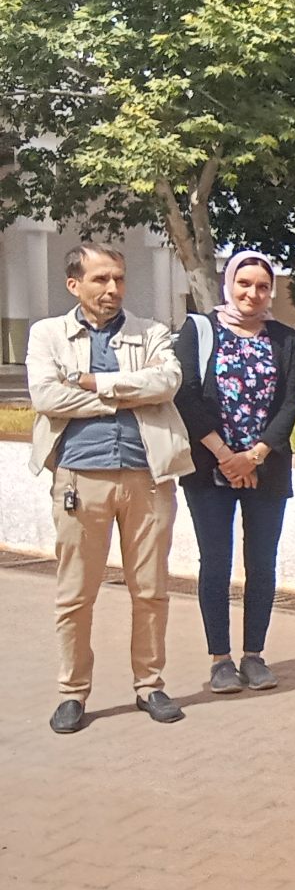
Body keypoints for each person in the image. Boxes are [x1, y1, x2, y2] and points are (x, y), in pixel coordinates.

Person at [27, 243, 193, 733]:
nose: (112, 289)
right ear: (74, 284)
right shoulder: (48, 334)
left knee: (151, 590)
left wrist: (90, 382)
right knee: (76, 594)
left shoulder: (151, 332)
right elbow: (46, 396)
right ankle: (72, 692)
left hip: (148, 479)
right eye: (100, 279)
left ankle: (150, 685)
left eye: (118, 278)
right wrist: (119, 396)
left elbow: (167, 383)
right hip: (80, 479)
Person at [172, 250, 295, 695]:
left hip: (266, 466)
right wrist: (226, 455)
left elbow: (290, 403)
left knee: (261, 563)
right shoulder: (199, 330)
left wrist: (254, 456)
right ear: (228, 283)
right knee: (216, 563)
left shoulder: (285, 339)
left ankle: (253, 655)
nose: (252, 293)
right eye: (244, 283)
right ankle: (220, 660)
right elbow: (186, 395)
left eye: (262, 286)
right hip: (209, 467)